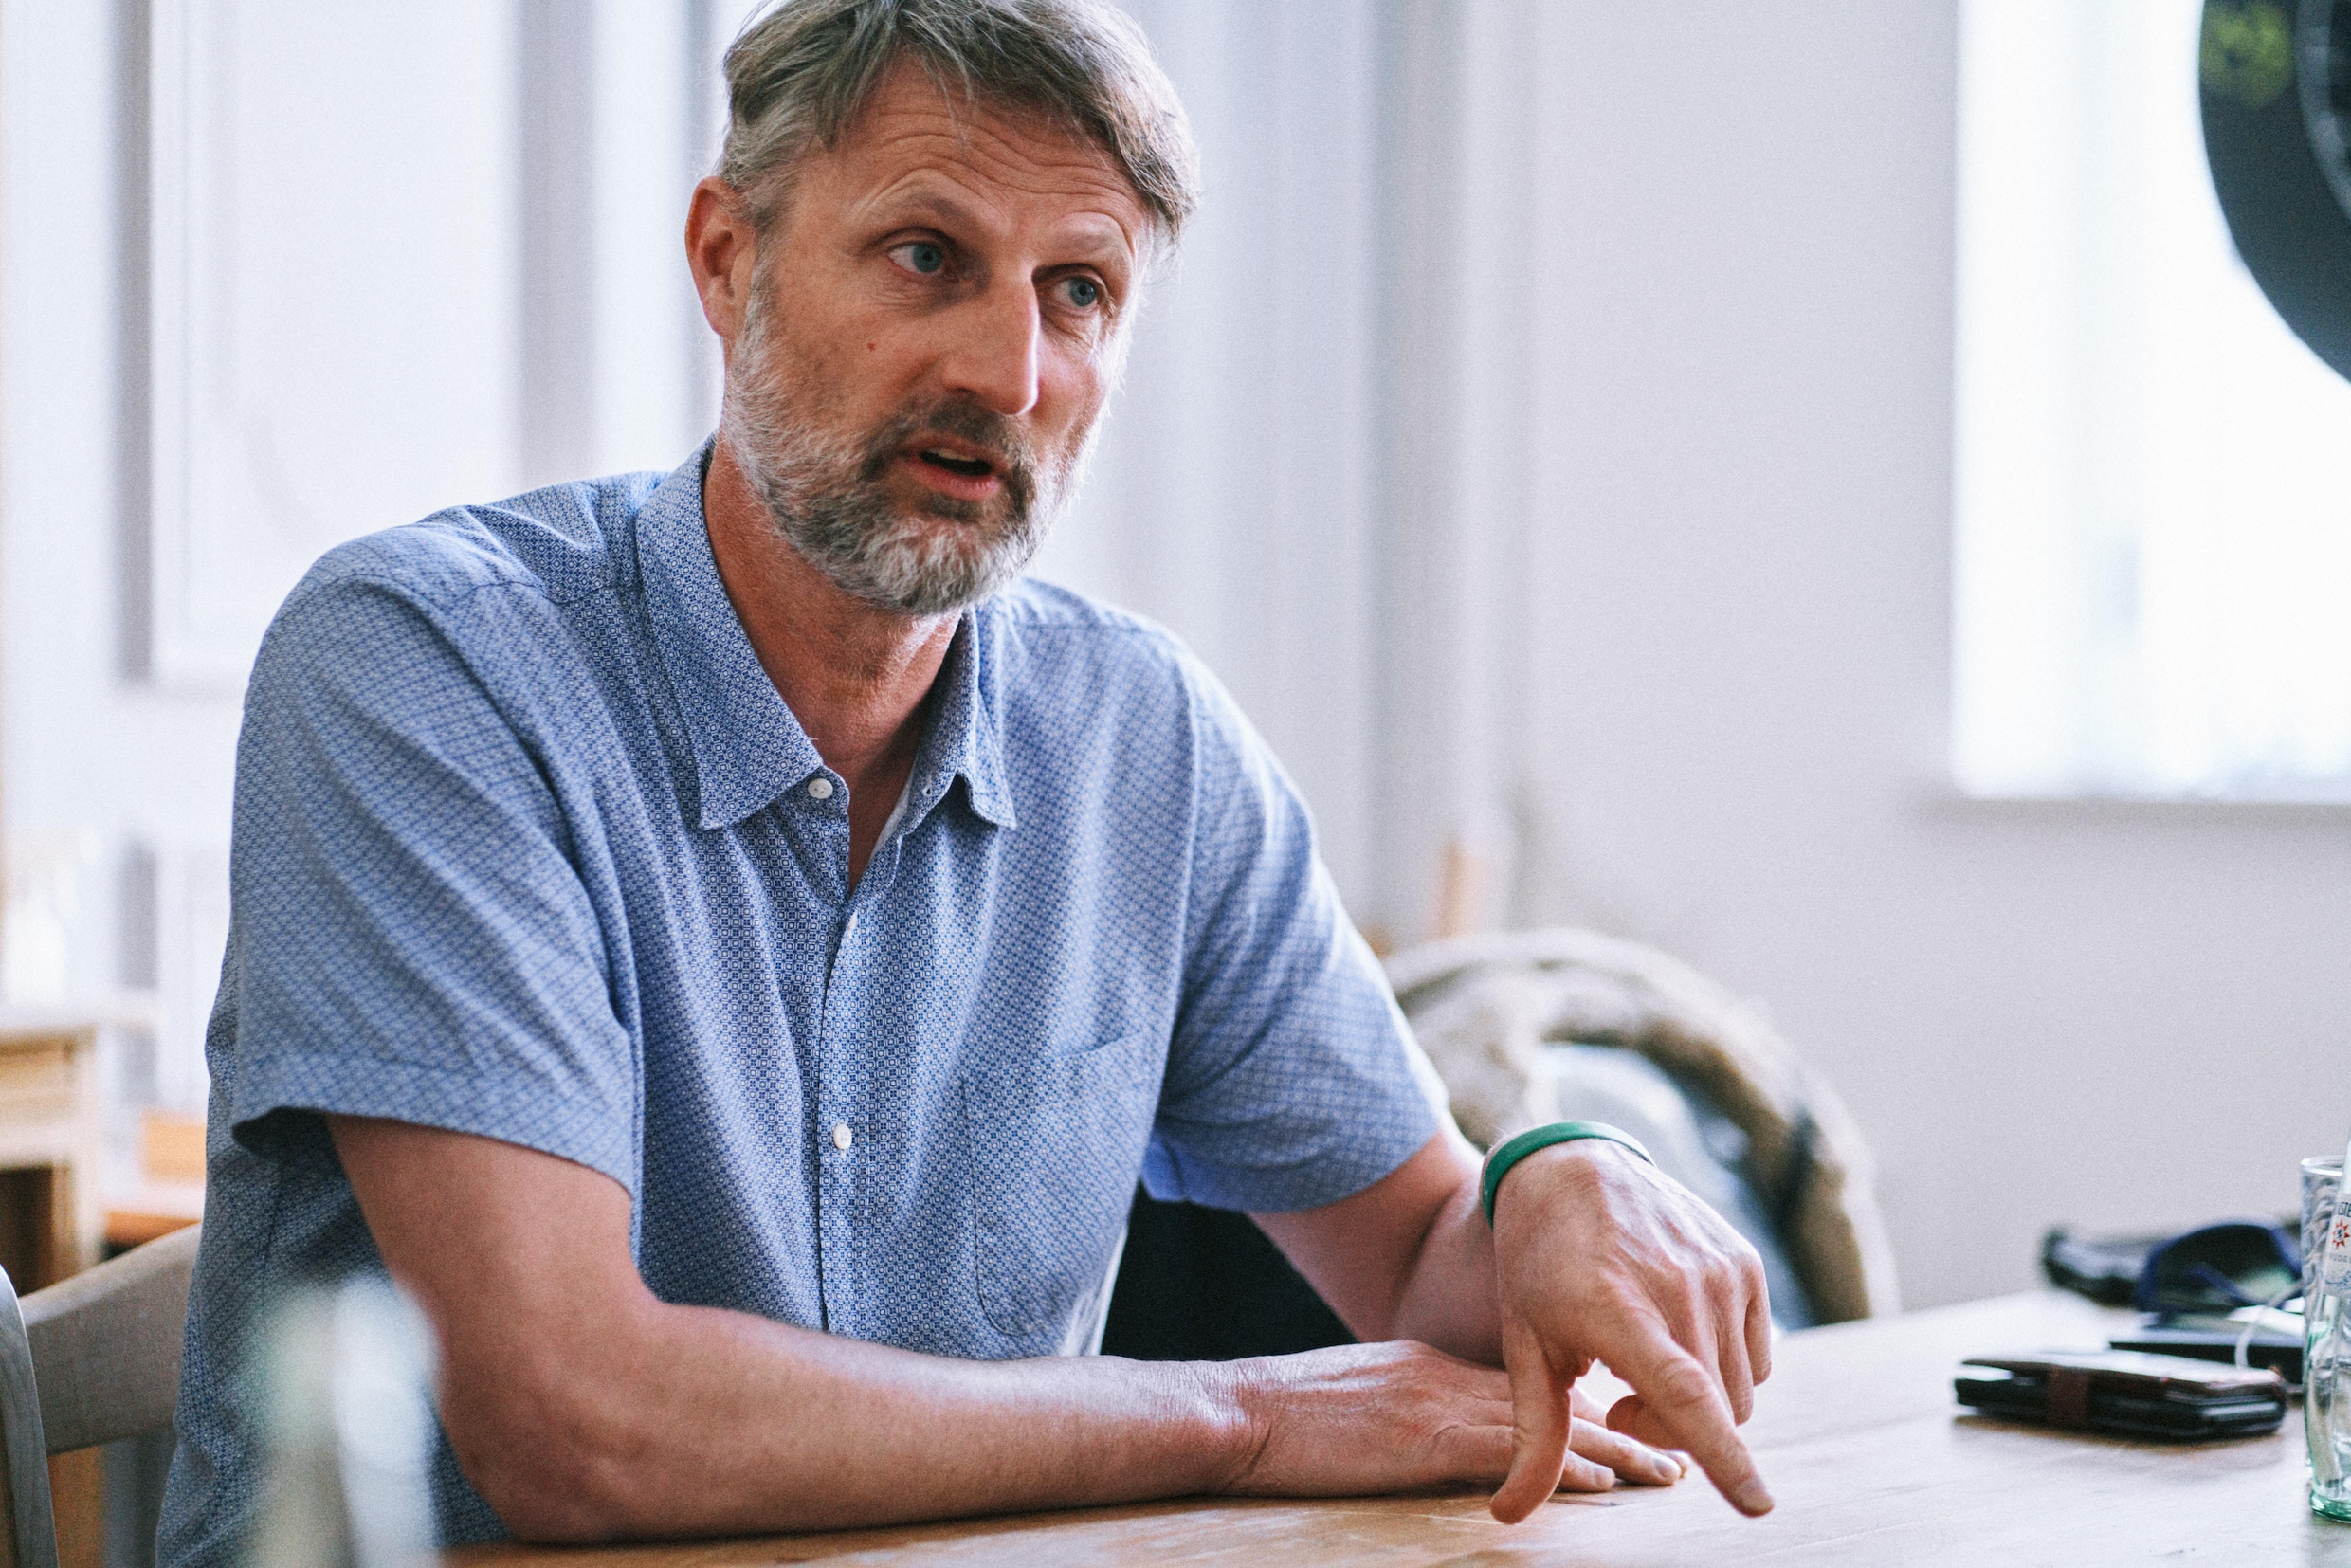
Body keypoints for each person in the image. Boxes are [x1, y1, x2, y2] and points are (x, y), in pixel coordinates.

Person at [157, 1, 1775, 1559]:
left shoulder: (1149, 746)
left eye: (1079, 291)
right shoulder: (425, 668)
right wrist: (1243, 1416)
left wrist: (1559, 1180)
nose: (1009, 374)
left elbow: (1423, 1260)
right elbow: (580, 1422)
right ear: (732, 262)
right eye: (928, 257)